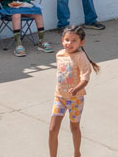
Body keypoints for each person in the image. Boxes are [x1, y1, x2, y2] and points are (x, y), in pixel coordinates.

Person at [49, 25, 100, 157]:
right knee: (52, 129)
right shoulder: (59, 55)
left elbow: (85, 78)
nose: (69, 43)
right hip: (59, 97)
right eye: (67, 40)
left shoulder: (81, 57)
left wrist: (76, 89)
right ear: (62, 40)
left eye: (74, 40)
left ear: (82, 42)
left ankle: (77, 153)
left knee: (74, 127)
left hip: (76, 99)